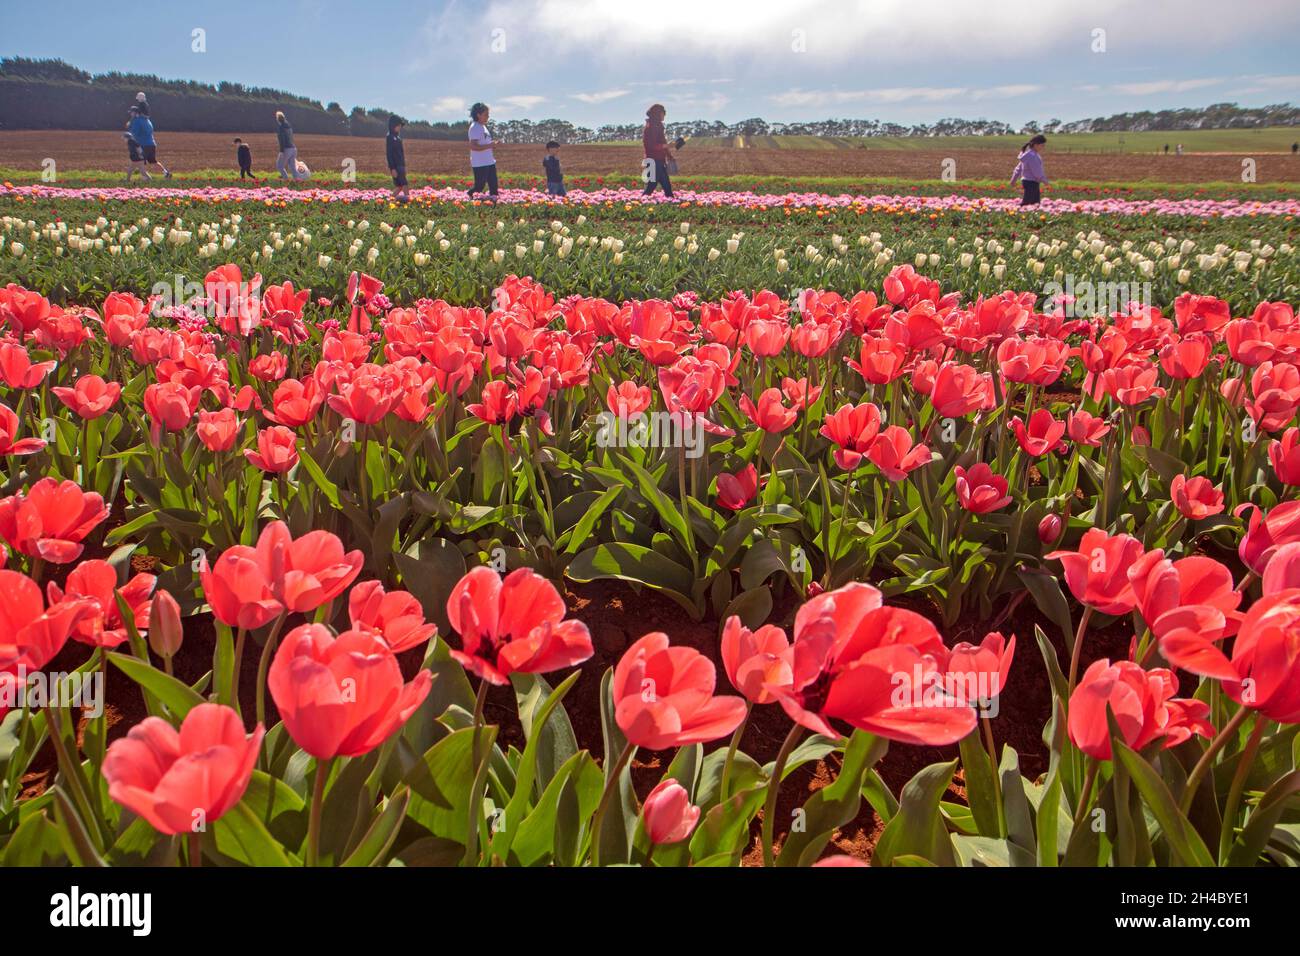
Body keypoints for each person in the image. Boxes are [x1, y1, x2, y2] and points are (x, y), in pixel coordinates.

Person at [641, 103, 676, 198]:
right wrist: (667, 145)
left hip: (658, 161)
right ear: (657, 114)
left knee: (666, 185)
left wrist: (669, 156)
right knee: (652, 185)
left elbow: (662, 143)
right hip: (653, 160)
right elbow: (651, 145)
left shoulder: (658, 126)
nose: (664, 114)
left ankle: (671, 201)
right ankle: (641, 202)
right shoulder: (652, 127)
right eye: (663, 112)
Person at [128, 105, 171, 178]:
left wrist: (129, 127)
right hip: (152, 144)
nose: (130, 114)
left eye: (131, 113)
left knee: (140, 162)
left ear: (135, 113)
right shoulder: (147, 120)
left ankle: (146, 178)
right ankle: (166, 173)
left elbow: (134, 133)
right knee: (153, 161)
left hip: (143, 145)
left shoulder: (136, 120)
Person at [466, 103, 498, 200]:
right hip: (480, 163)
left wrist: (492, 143)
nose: (488, 117)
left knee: (494, 185)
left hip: (489, 161)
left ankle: (494, 204)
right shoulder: (475, 127)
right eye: (486, 114)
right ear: (478, 115)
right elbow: (473, 146)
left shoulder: (483, 126)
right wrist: (490, 145)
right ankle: (469, 196)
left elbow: (484, 142)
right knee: (479, 187)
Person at [1010, 134, 1049, 206]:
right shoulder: (1032, 156)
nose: (1043, 147)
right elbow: (1037, 172)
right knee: (1028, 204)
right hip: (1032, 183)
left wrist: (1013, 180)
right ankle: (1019, 214)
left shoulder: (1027, 155)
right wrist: (1045, 181)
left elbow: (1018, 168)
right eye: (1042, 145)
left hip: (1028, 182)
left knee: (1035, 203)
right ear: (1036, 145)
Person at [387, 115, 409, 201]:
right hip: (396, 166)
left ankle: (389, 201)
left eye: (400, 126)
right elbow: (389, 154)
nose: (400, 127)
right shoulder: (390, 137)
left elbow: (401, 154)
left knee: (400, 186)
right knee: (404, 184)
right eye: (398, 125)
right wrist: (392, 168)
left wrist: (404, 166)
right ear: (393, 125)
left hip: (401, 165)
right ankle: (409, 201)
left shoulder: (398, 138)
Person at [276, 111, 300, 181]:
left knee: (279, 166)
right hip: (293, 148)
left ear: (278, 119)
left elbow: (282, 140)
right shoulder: (289, 126)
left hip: (287, 149)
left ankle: (286, 180)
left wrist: (282, 151)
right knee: (293, 167)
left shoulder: (281, 128)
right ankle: (297, 181)